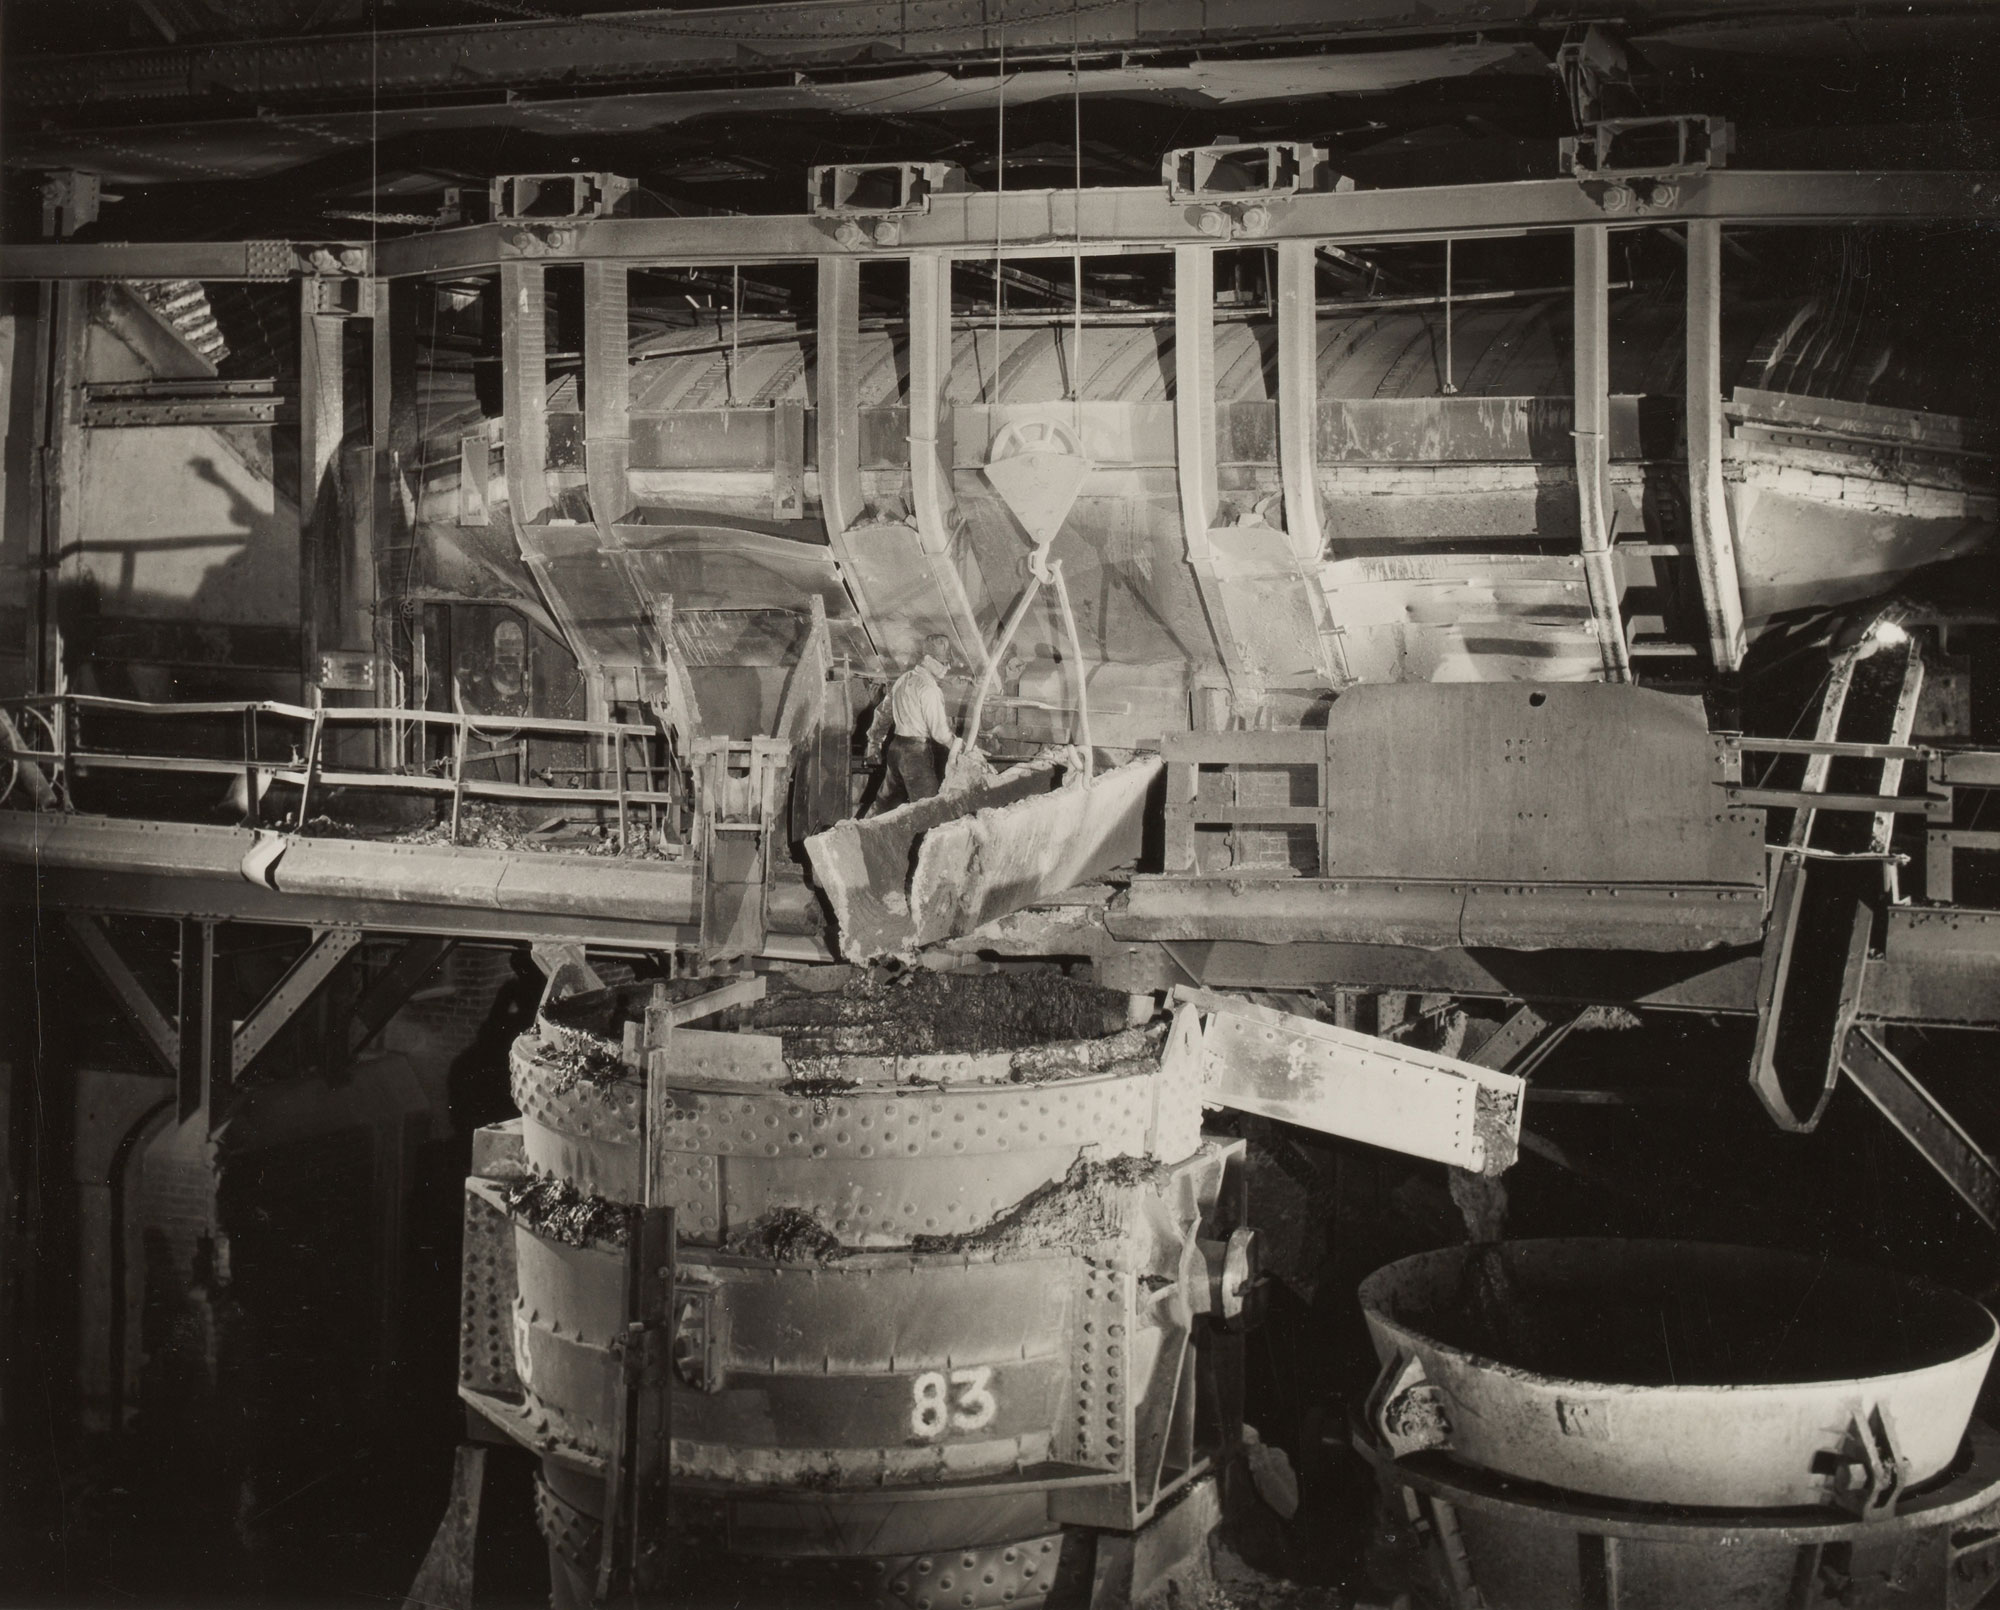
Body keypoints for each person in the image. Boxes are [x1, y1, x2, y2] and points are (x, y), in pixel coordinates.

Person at [865, 634, 960, 810]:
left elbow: (883, 714)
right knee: (929, 810)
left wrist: (874, 742)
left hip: (896, 749)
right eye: (943, 662)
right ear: (928, 659)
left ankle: (857, 833)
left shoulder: (904, 679)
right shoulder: (929, 689)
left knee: (884, 807)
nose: (947, 667)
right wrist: (960, 748)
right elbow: (940, 734)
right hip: (916, 755)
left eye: (948, 662)